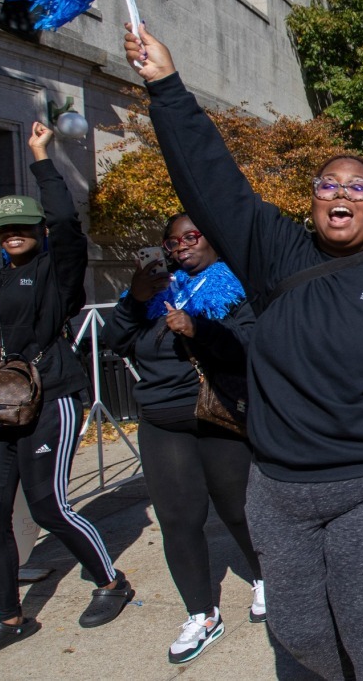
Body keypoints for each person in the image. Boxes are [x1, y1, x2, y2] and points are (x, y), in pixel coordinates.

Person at [124, 24, 363, 679]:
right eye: (326, 184)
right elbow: (212, 183)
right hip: (282, 486)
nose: (340, 193)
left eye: (358, 187)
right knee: (299, 631)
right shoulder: (274, 254)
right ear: (311, 203)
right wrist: (166, 86)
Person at [0, 122, 133, 663]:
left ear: (39, 229)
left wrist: (40, 155)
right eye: (3, 229)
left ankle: (111, 582)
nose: (13, 233)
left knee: (49, 506)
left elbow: (66, 224)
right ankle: (9, 619)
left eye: (23, 226)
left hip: (48, 400)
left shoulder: (57, 271)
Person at [102, 213, 264, 664]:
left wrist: (198, 329)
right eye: (172, 242)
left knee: (237, 509)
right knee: (178, 519)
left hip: (218, 414)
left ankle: (265, 578)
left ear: (212, 239)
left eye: (192, 236)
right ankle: (201, 615)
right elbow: (114, 341)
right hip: (162, 420)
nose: (182, 246)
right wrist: (135, 299)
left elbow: (250, 343)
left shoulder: (235, 286)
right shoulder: (150, 293)